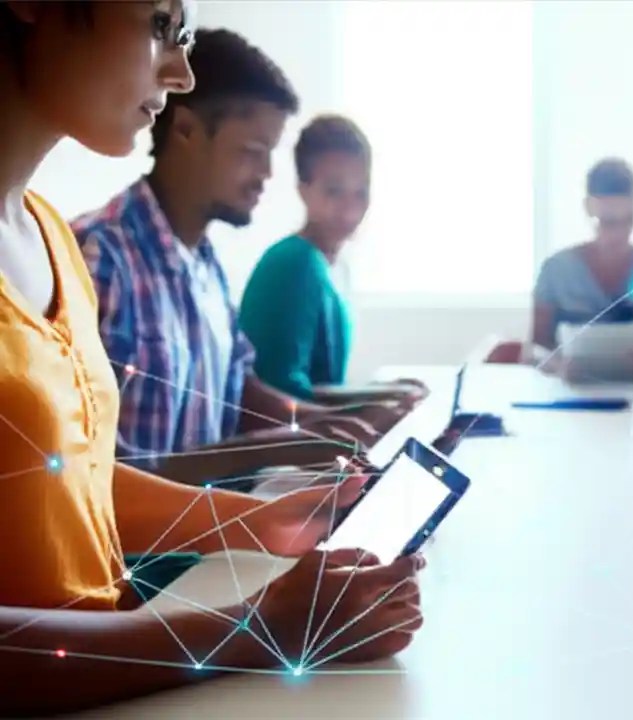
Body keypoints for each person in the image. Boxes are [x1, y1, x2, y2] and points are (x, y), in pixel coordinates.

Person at [0, 3, 421, 715]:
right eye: (161, 24)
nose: (180, 69)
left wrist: (253, 519)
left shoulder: (48, 238)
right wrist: (258, 627)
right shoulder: (101, 246)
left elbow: (75, 485)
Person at [74, 28, 412, 489]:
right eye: (254, 152)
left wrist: (337, 422)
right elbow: (101, 477)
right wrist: (290, 442)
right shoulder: (100, 257)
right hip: (148, 557)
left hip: (215, 535)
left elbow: (243, 393)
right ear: (187, 131)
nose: (267, 175)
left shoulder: (205, 266)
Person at [239, 114, 422, 404]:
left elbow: (320, 385)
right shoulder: (295, 263)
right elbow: (283, 393)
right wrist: (382, 398)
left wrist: (384, 392)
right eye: (334, 191)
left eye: (360, 192)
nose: (350, 209)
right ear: (303, 189)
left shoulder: (337, 266)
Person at [529, 158, 633, 377]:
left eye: (626, 221)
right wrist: (558, 366)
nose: (618, 234)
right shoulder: (556, 269)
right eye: (608, 222)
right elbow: (534, 348)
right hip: (568, 389)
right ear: (589, 209)